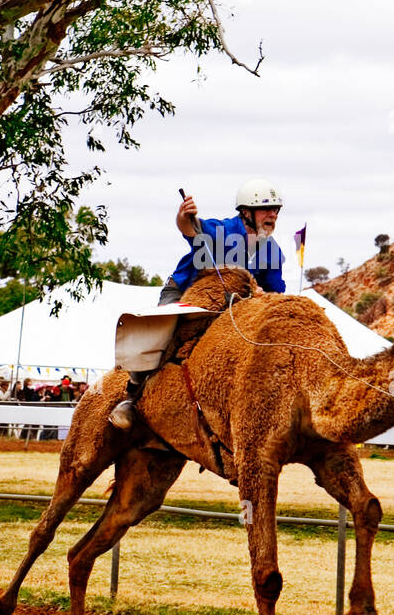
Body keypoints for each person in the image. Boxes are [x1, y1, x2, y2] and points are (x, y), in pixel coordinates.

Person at [109, 179, 286, 429]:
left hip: (230, 310)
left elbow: (275, 293)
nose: (273, 215)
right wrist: (183, 215)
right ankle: (131, 397)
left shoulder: (273, 252)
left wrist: (261, 293)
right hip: (184, 293)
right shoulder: (222, 230)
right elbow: (189, 228)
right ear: (246, 212)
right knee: (161, 330)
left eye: (276, 210)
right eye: (266, 209)